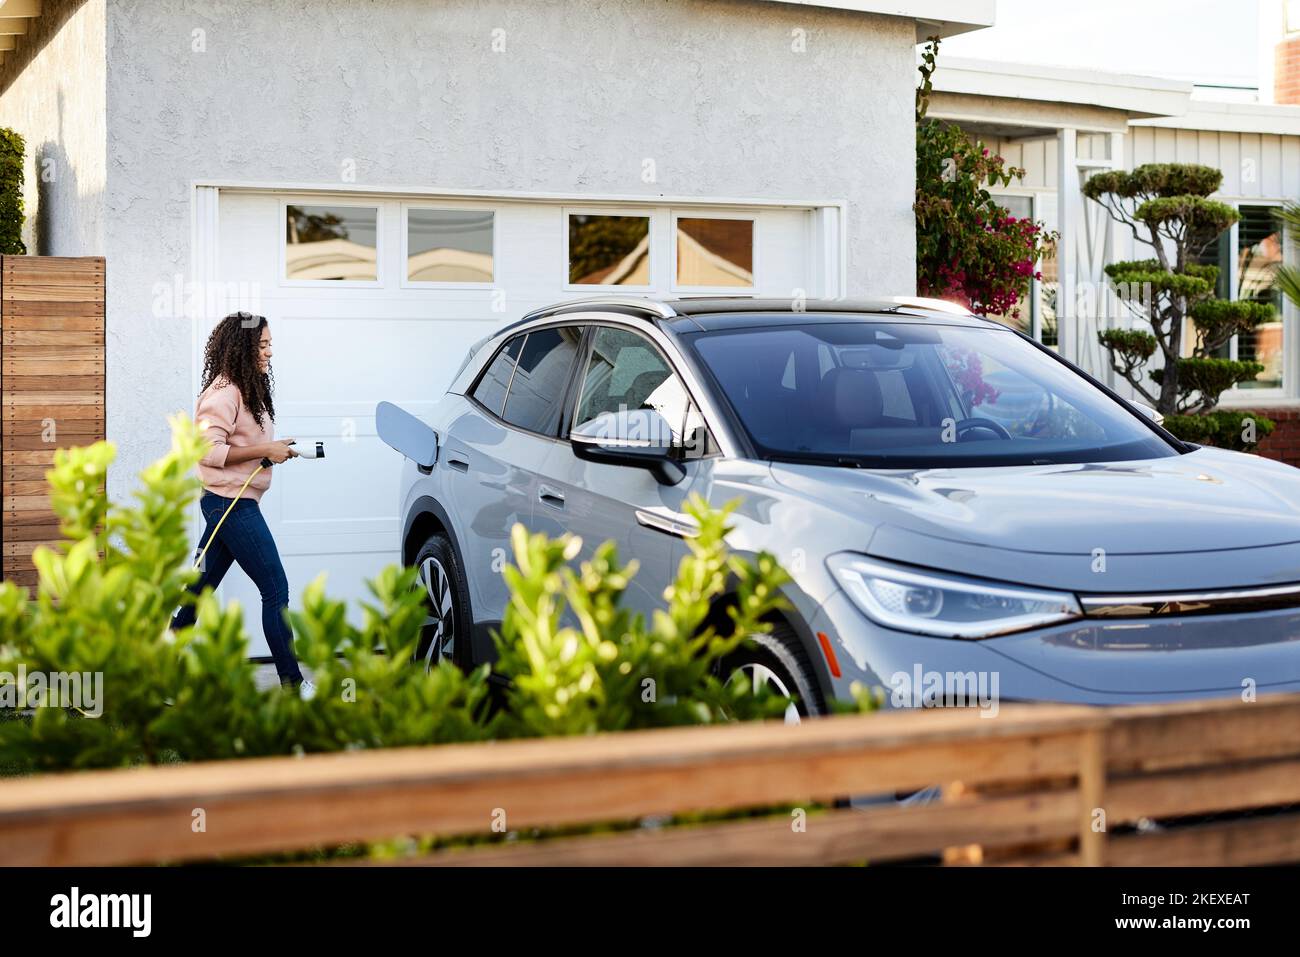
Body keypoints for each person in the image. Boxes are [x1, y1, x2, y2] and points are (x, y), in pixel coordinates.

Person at [170, 311, 311, 693]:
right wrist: (265, 448)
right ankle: (294, 685)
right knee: (275, 590)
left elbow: (240, 446)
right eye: (262, 345)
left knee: (197, 591)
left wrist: (273, 452)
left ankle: (160, 673)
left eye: (269, 345)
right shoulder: (224, 393)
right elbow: (207, 451)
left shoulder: (247, 388)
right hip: (230, 505)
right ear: (243, 346)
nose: (268, 352)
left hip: (232, 501)